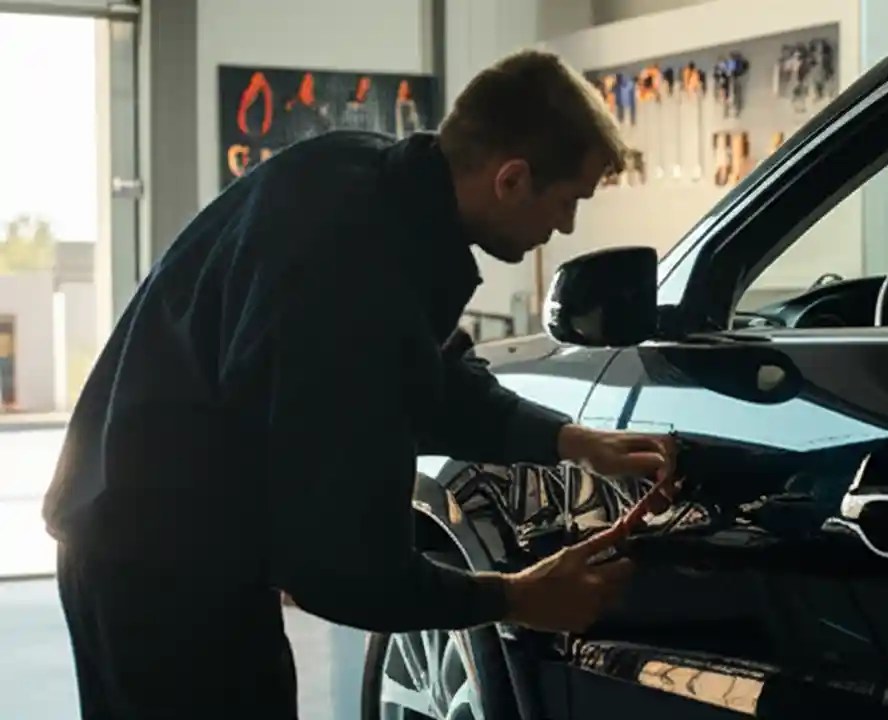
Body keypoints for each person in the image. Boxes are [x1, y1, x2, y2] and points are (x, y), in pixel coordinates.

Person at [43, 48, 674, 719]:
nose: (567, 228)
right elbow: (342, 570)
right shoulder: (350, 279)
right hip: (166, 572)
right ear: (512, 179)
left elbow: (422, 380)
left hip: (140, 530)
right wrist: (518, 597)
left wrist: (573, 441)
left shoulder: (367, 180)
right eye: (568, 201)